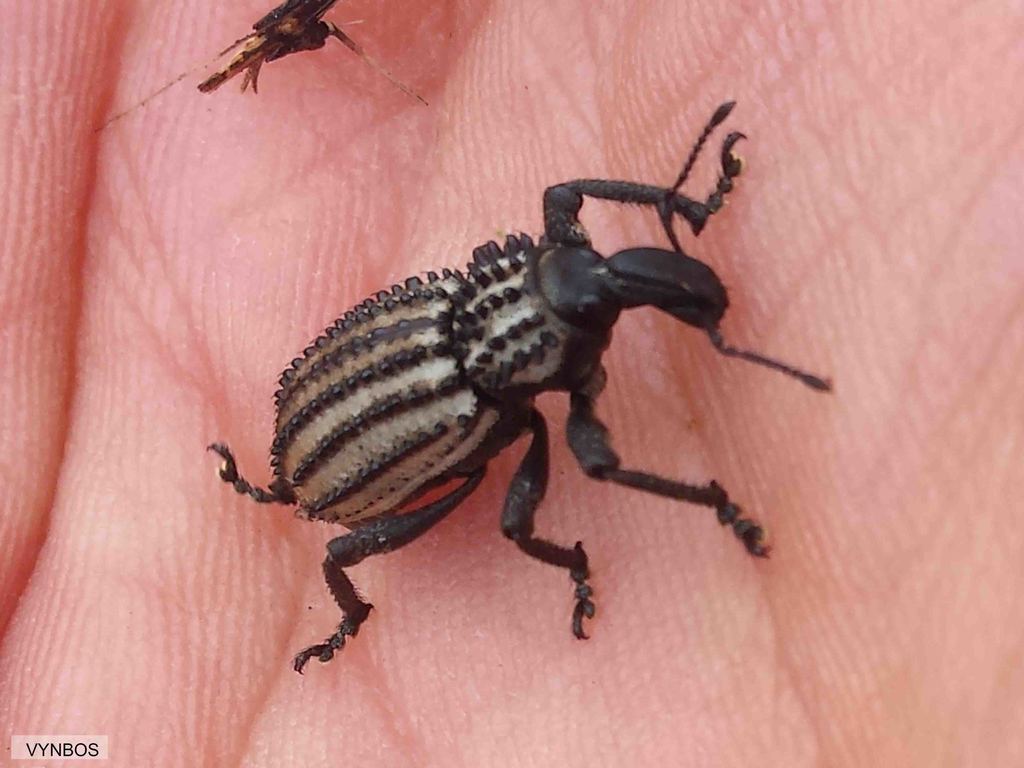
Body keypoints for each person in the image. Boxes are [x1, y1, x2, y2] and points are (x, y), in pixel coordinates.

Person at [0, 1, 1020, 765]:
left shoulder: (520, 305)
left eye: (590, 284)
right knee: (470, 533)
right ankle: (376, 607)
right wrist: (712, 500)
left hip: (375, 383)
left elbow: (570, 211)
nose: (605, 277)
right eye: (594, 299)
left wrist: (683, 211)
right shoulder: (519, 412)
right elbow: (543, 482)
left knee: (559, 292)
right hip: (337, 459)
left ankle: (693, 228)